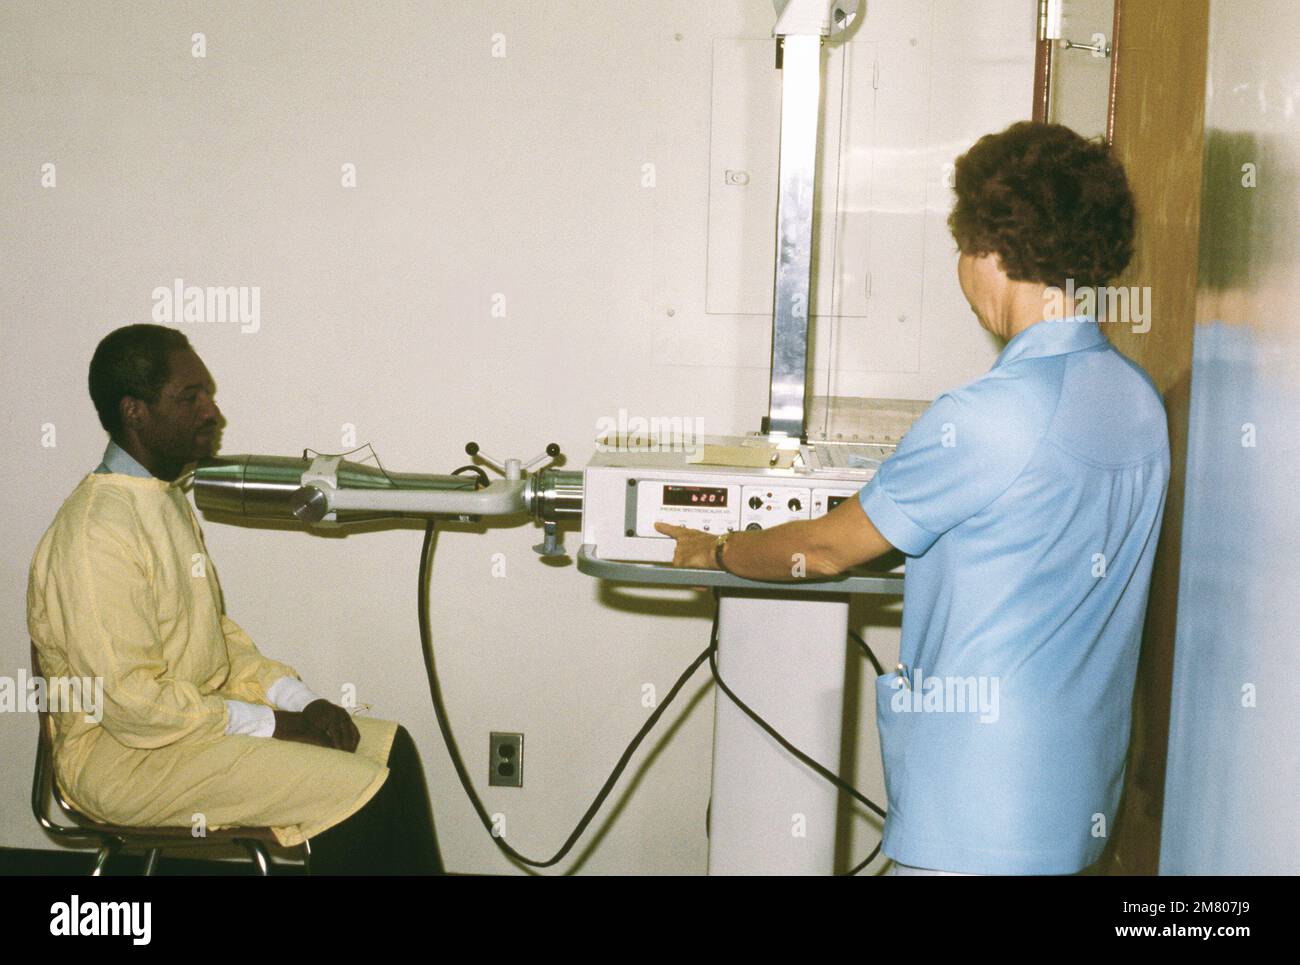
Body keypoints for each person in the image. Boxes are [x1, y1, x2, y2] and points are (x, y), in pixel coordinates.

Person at [656, 121, 1169, 876]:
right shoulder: (1137, 402)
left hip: (978, 813)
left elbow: (825, 549)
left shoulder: (989, 414)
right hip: (1074, 802)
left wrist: (720, 551)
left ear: (990, 251)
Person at [27, 324, 443, 874]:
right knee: (358, 792)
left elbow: (213, 638)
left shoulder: (163, 497)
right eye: (190, 397)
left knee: (391, 751)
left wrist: (299, 702)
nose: (212, 413)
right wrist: (275, 725)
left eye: (209, 395)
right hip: (123, 757)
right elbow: (130, 705)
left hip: (186, 727)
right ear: (135, 412)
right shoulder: (93, 533)